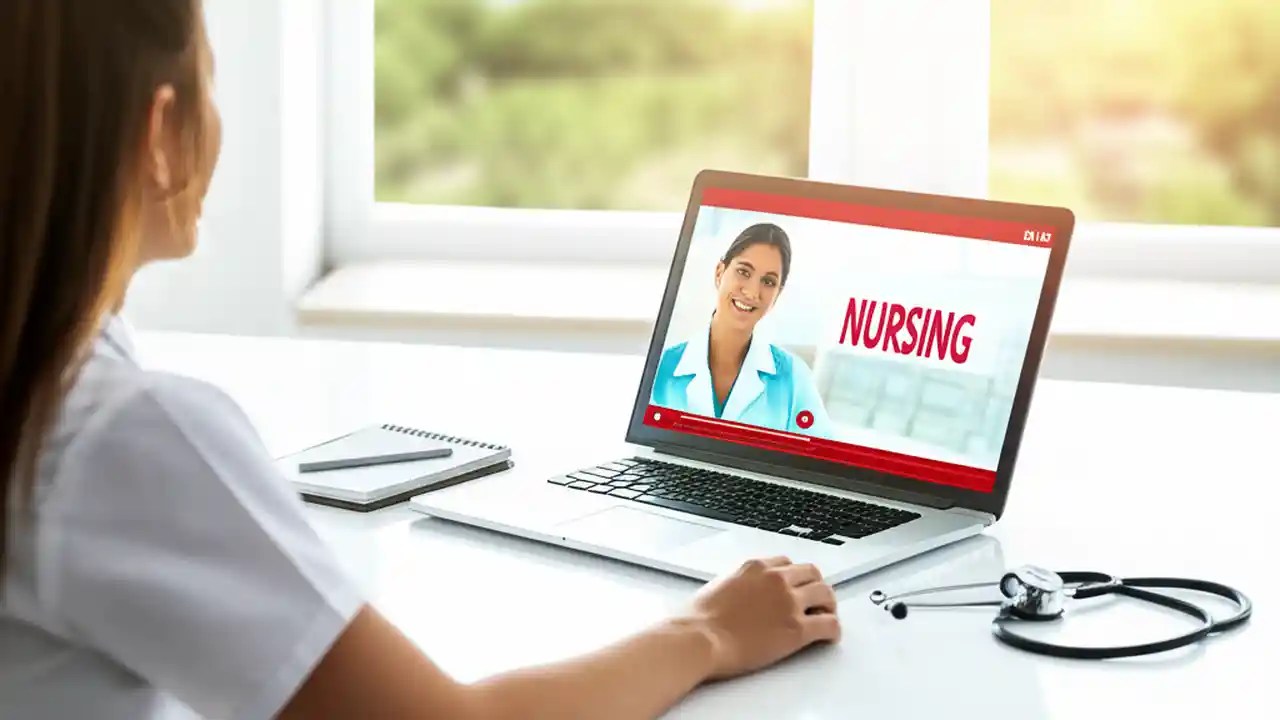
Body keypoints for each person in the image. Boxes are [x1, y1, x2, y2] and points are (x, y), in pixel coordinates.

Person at [0, 2, 841, 719]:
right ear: (158, 134)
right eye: (211, 85)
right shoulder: (116, 435)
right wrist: (709, 632)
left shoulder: (51, 379)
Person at [651, 223, 834, 437]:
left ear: (777, 294)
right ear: (720, 272)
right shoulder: (661, 368)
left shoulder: (793, 377)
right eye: (743, 272)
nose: (752, 292)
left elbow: (819, 456)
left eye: (768, 281)